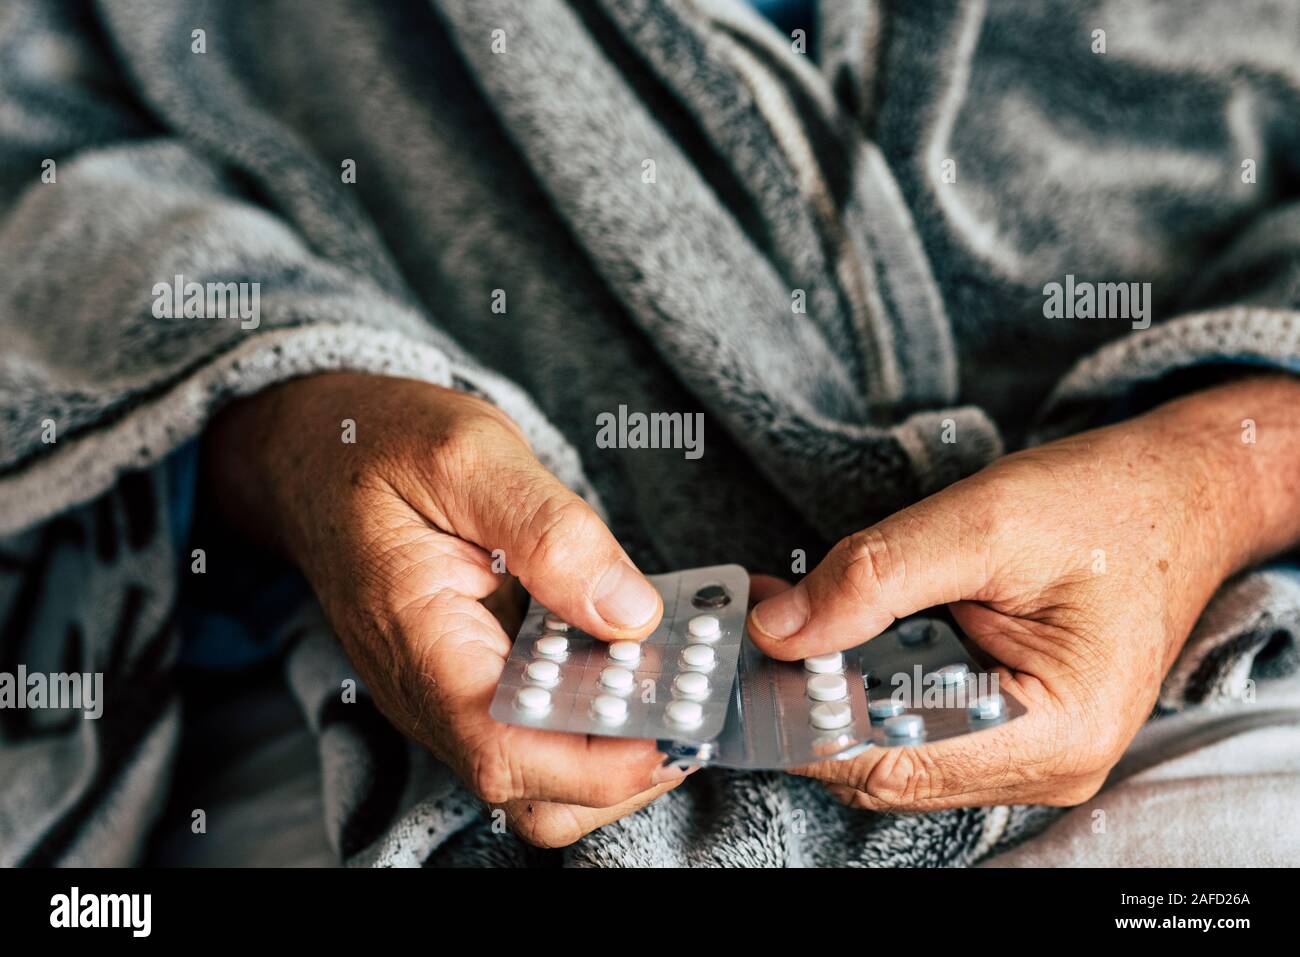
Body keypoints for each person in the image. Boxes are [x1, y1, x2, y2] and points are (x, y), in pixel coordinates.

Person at [2, 0, 1298, 866]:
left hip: (1233, 658)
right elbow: (35, 145)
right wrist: (297, 419)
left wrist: (1231, 464)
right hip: (424, 744)